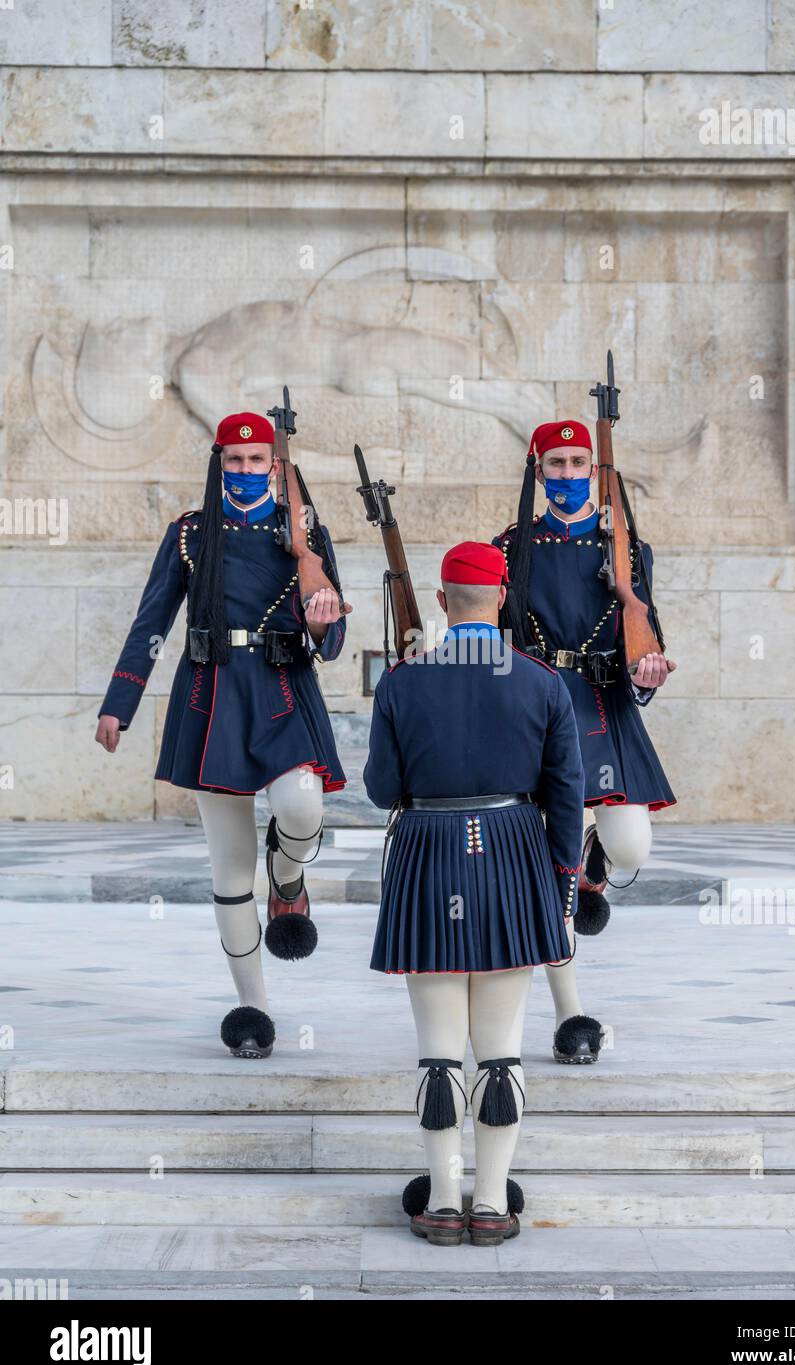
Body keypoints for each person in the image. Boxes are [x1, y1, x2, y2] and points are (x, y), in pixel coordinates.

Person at [94, 411, 348, 1059]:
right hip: (212, 694)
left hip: (283, 686)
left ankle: (288, 881)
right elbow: (153, 618)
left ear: (275, 465)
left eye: (255, 460)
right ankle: (253, 1008)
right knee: (230, 867)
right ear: (218, 462)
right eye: (232, 461)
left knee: (302, 810)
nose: (242, 471)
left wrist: (321, 622)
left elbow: (335, 637)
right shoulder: (190, 535)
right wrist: (120, 701)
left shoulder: (305, 531)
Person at [364, 541, 584, 1246]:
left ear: (440, 603)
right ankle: (489, 1204)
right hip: (512, 852)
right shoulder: (542, 682)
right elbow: (566, 794)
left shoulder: (402, 682)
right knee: (501, 1048)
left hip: (430, 853)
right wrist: (559, 883)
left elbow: (380, 790)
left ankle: (438, 1198)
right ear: (502, 597)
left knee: (437, 1050)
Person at [493, 419, 677, 1065]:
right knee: (553, 873)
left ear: (596, 472)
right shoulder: (512, 545)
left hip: (607, 708)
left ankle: (597, 860)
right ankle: (571, 1015)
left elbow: (645, 638)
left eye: (579, 463)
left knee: (632, 848)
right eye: (557, 464)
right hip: (540, 714)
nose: (568, 476)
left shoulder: (628, 549)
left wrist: (648, 674)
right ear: (537, 469)